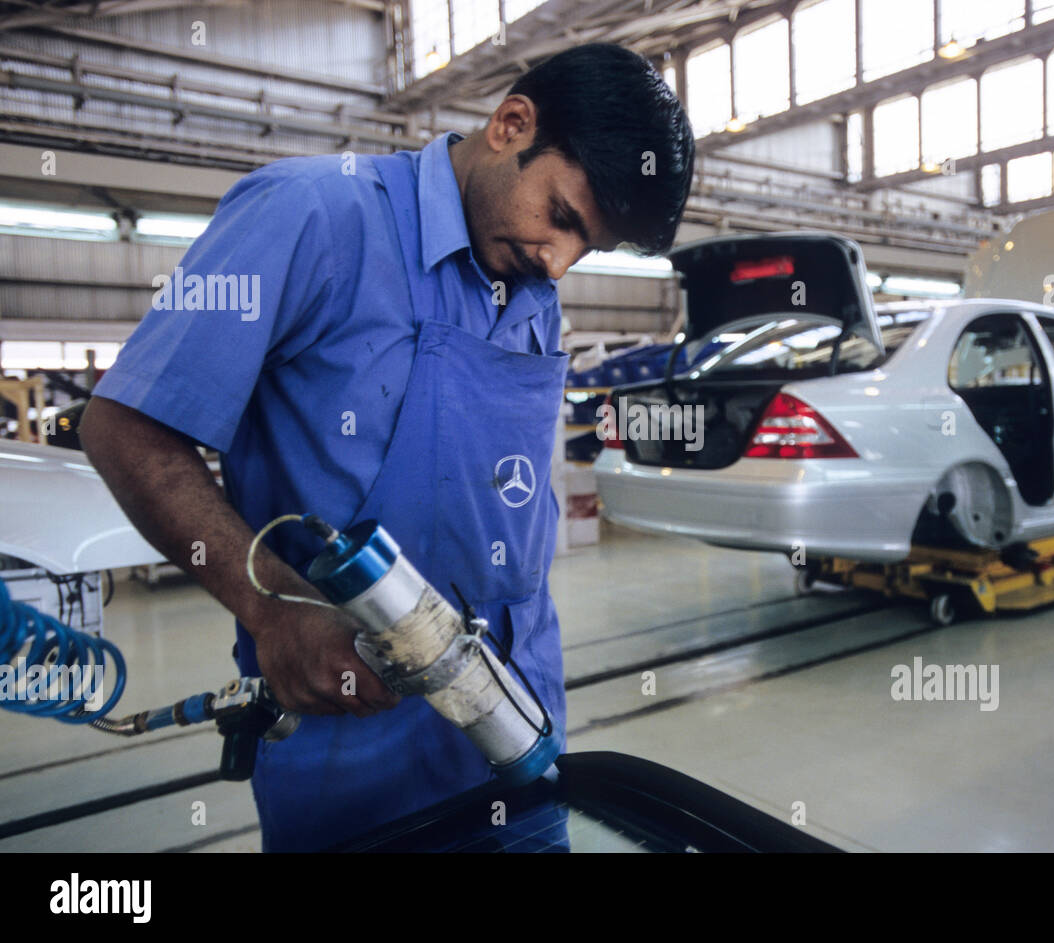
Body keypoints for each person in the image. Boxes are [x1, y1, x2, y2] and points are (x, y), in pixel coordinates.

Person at [79, 42, 694, 852]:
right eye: (564, 218)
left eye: (592, 248)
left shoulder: (533, 287)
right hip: (352, 723)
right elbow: (125, 425)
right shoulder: (313, 216)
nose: (560, 261)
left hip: (516, 713)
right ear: (512, 125)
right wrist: (271, 610)